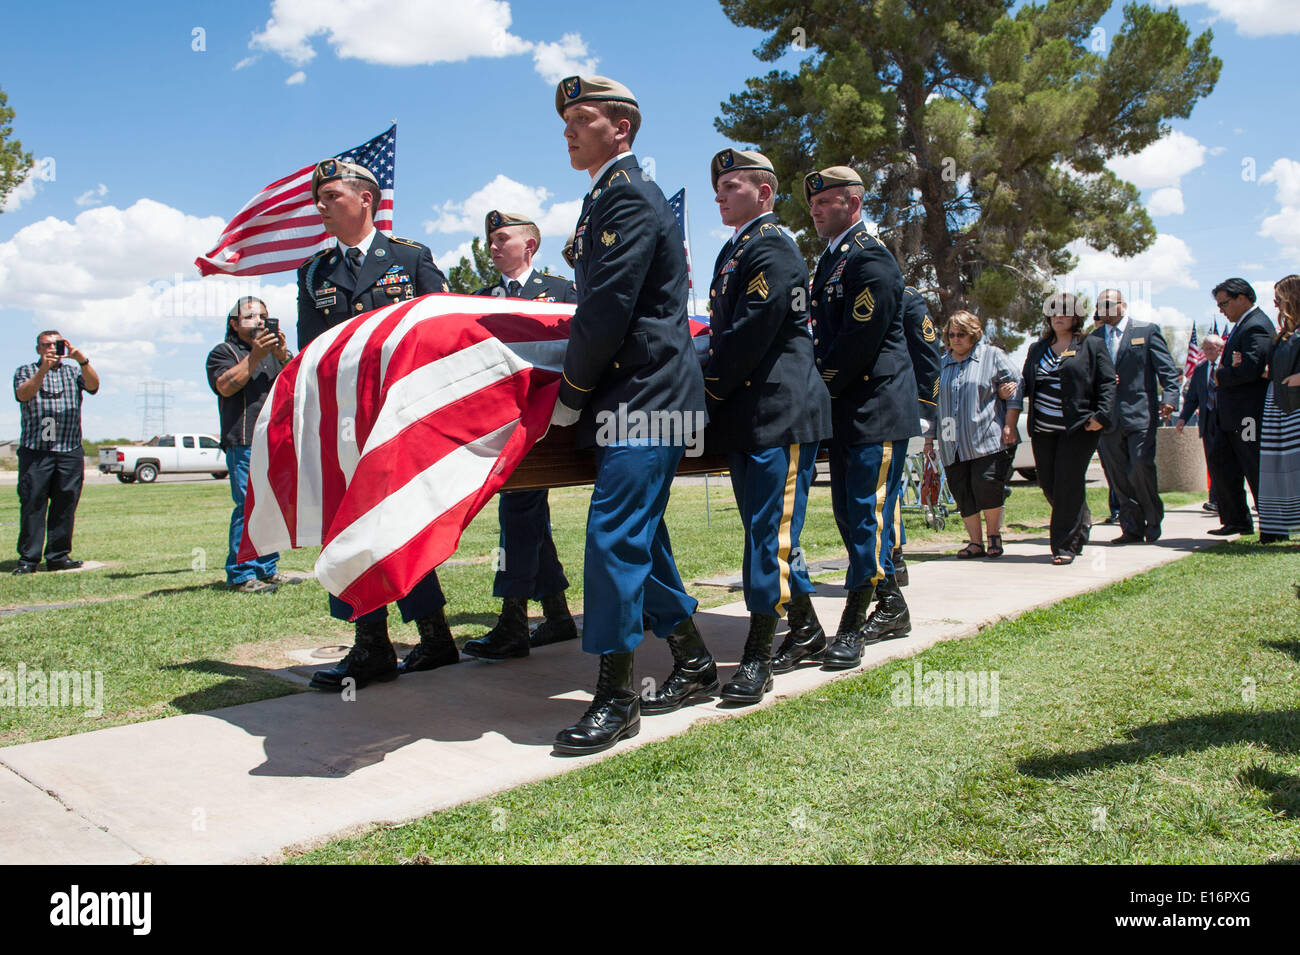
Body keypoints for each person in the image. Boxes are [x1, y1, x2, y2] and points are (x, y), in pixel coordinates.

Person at [547, 75, 707, 754]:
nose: (568, 131)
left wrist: (568, 393)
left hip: (648, 395)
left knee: (613, 532)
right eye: (565, 122)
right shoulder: (604, 201)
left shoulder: (629, 197)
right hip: (637, 393)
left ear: (622, 127)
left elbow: (607, 311)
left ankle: (616, 696)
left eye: (581, 119)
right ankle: (694, 657)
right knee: (644, 539)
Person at [644, 147, 830, 706]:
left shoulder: (773, 247)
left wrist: (705, 391)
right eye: (718, 186)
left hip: (780, 413)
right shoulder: (738, 249)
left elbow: (749, 335)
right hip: (752, 416)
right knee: (765, 533)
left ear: (764, 193)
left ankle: (757, 655)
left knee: (767, 538)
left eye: (731, 186)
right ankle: (807, 629)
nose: (719, 194)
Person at [295, 158, 458, 690]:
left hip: (400, 416)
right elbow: (311, 350)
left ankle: (432, 638)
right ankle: (373, 643)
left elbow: (443, 328)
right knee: (350, 528)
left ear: (365, 198)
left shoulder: (409, 258)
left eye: (332, 195)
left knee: (401, 522)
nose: (321, 205)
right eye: (317, 197)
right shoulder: (315, 272)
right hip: (346, 422)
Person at [804, 165, 919, 670]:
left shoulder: (869, 258)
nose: (815, 210)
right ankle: (892, 604)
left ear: (852, 203)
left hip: (875, 409)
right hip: (847, 412)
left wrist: (815, 387)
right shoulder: (830, 261)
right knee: (852, 516)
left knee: (867, 515)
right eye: (812, 204)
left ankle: (852, 623)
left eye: (825, 202)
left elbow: (857, 341)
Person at [462, 210, 580, 660]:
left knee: (518, 507)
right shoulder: (477, 300)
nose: (493, 246)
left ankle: (513, 619)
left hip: (553, 420)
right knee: (525, 507)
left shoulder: (562, 292)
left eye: (502, 238)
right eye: (490, 239)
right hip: (505, 421)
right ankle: (556, 614)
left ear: (530, 246)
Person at [1021, 292, 1116, 565]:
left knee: (1067, 484)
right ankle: (1081, 520)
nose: (1057, 317)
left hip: (1078, 428)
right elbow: (1027, 382)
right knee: (1049, 483)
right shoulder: (1037, 348)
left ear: (1076, 316)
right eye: (1053, 312)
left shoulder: (1091, 344)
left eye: (1063, 312)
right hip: (1042, 429)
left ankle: (1064, 545)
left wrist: (1101, 416)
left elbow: (1108, 383)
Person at [206, 297, 291, 594]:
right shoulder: (223, 352)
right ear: (233, 323)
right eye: (250, 316)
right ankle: (241, 573)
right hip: (243, 439)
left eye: (264, 316)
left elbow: (298, 381)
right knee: (248, 506)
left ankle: (267, 568)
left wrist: (281, 355)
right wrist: (255, 356)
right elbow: (226, 386)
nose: (258, 321)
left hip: (275, 439)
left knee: (272, 507)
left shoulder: (272, 353)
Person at [1090, 289, 1179, 543]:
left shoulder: (1146, 331)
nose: (1103, 309)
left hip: (1140, 414)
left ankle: (1152, 520)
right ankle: (1131, 527)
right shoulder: (1093, 338)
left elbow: (1167, 370)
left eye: (1108, 304)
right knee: (1117, 475)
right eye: (1099, 305)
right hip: (1107, 418)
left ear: (1123, 305)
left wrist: (1170, 399)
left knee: (1139, 466)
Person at [932, 310, 1021, 559]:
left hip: (986, 436)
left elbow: (1015, 384)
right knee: (961, 490)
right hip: (951, 441)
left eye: (962, 334)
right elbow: (932, 403)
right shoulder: (942, 363)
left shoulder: (991, 356)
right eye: (951, 335)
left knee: (987, 485)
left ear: (974, 335)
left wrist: (1010, 423)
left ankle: (993, 536)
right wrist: (929, 439)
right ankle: (975, 542)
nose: (956, 339)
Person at [12, 330, 98, 574]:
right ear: (38, 348)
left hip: (69, 448)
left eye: (57, 344)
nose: (52, 349)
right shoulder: (25, 371)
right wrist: (43, 370)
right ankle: (29, 559)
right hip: (36, 450)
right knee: (33, 503)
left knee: (65, 503)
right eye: (46, 345)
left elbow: (93, 386)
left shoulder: (73, 372)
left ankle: (58, 556)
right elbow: (23, 394)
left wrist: (82, 360)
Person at [1206, 278, 1273, 536]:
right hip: (1229, 415)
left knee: (1253, 465)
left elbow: (1251, 369)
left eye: (1224, 303)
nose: (1221, 310)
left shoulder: (1256, 326)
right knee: (1224, 465)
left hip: (1248, 416)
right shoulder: (1241, 326)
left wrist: (1221, 376)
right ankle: (1235, 520)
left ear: (1242, 298)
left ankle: (1270, 524)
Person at [892, 286, 942, 585]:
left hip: (898, 405)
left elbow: (928, 356)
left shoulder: (906, 297)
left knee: (888, 490)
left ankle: (894, 557)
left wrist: (926, 410)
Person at [1258, 274, 1300, 543]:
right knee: (1278, 464)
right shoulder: (1285, 333)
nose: (1275, 304)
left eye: (1278, 298)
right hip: (1278, 405)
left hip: (1297, 405)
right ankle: (1276, 527)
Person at [1175, 333, 1223, 512]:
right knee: (1212, 461)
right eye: (1205, 348)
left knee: (1229, 462)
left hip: (1226, 421)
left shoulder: (1226, 366)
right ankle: (1215, 500)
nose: (1208, 351)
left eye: (1211, 348)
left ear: (1220, 349)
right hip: (1208, 422)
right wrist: (1182, 419)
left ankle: (1231, 500)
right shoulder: (1201, 369)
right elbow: (1192, 398)